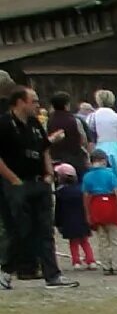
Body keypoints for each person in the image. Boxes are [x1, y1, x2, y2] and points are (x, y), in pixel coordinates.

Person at [0, 85, 76, 287]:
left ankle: (53, 275)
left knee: (45, 230)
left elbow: (44, 149)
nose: (37, 105)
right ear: (20, 102)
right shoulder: (5, 123)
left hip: (39, 182)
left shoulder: (34, 123)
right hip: (15, 183)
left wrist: (49, 174)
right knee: (18, 228)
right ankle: (6, 271)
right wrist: (13, 180)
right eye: (32, 101)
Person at [81, 149, 117, 273]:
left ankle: (106, 266)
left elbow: (86, 196)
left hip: (96, 206)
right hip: (110, 205)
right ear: (104, 161)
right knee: (115, 239)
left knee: (102, 240)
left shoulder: (87, 176)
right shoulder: (110, 174)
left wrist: (87, 214)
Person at [53, 162, 92, 269]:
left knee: (73, 243)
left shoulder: (60, 192)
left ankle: (76, 261)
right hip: (83, 219)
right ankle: (90, 260)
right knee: (85, 241)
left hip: (69, 221)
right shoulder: (81, 190)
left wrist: (57, 223)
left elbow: (58, 210)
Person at [45, 90, 88, 179]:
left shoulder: (48, 121)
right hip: (75, 160)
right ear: (67, 105)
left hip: (56, 160)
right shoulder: (75, 120)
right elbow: (83, 140)